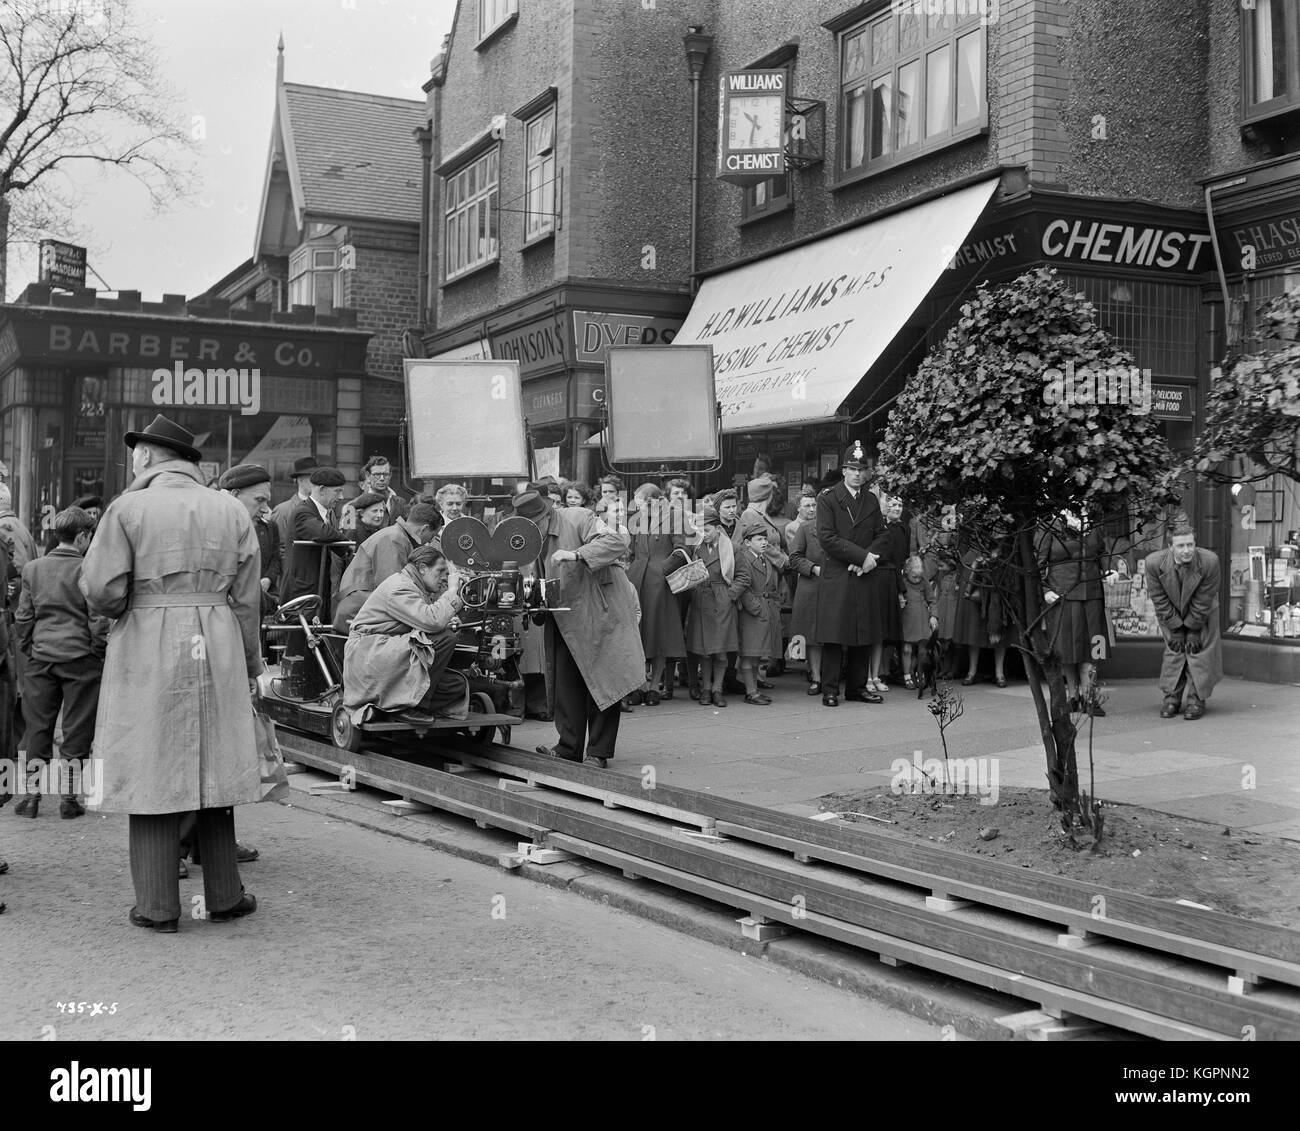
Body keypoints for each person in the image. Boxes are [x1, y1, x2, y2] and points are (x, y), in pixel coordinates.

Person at [80, 413, 262, 932]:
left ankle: (158, 907)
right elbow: (248, 599)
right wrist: (250, 663)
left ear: (146, 456)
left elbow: (100, 587)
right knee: (216, 766)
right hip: (220, 636)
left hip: (149, 639)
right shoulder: (229, 508)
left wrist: (128, 610)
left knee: (151, 765)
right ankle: (225, 896)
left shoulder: (128, 507)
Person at [514, 484, 644, 769]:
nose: (533, 531)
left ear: (548, 513)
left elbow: (616, 543)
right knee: (566, 685)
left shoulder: (579, 517)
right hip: (563, 616)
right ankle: (568, 747)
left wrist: (577, 554)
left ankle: (598, 751)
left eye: (536, 524)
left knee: (604, 681)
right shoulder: (528, 537)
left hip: (599, 612)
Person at [11, 506, 106, 819]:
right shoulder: (88, 569)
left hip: (42, 658)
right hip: (81, 659)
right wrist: (96, 649)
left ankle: (31, 797)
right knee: (77, 730)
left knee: (38, 728)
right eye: (89, 536)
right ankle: (68, 798)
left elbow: (24, 617)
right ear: (81, 536)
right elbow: (97, 618)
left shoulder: (34, 569)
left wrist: (30, 647)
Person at [343, 543, 470, 722]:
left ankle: (392, 706)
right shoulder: (399, 587)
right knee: (445, 638)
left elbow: (422, 621)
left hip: (388, 652)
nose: (444, 578)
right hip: (369, 654)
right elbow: (431, 621)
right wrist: (451, 592)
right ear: (423, 568)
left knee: (457, 686)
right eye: (441, 571)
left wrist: (446, 619)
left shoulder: (414, 585)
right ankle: (412, 707)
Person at [815, 442, 887, 707]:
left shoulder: (869, 499)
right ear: (843, 470)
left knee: (863, 634)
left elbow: (882, 535)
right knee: (834, 636)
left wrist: (869, 559)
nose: (857, 474)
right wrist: (862, 557)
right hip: (839, 574)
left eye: (861, 469)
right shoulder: (828, 499)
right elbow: (827, 538)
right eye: (852, 469)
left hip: (864, 573)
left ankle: (857, 688)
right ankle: (830, 689)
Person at [1144, 523, 1223, 721]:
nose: (1186, 550)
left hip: (1203, 611)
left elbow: (1204, 598)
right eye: (1180, 546)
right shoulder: (1154, 563)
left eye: (1190, 544)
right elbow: (1158, 598)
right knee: (1175, 649)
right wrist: (1177, 627)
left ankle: (1197, 699)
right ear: (1171, 547)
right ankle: (1172, 697)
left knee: (1200, 651)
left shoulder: (1209, 561)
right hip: (1171, 610)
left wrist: (1193, 628)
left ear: (1195, 543)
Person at [1039, 507, 1112, 714]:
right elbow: (1039, 563)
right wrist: (1044, 590)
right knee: (1066, 648)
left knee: (1094, 646)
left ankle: (1090, 697)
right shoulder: (1051, 526)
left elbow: (1103, 553)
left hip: (1092, 595)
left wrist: (1108, 569)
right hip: (1063, 595)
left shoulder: (1094, 524)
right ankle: (1072, 695)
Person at [334, 501, 444, 631]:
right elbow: (393, 590)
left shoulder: (397, 536)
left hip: (365, 609)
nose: (431, 541)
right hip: (359, 613)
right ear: (424, 528)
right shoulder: (394, 539)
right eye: (432, 535)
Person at [626, 484, 689, 704]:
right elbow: (632, 551)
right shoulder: (637, 519)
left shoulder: (675, 517)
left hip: (661, 584)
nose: (638, 506)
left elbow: (682, 550)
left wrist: (663, 570)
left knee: (660, 634)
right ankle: (640, 685)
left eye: (641, 502)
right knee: (639, 634)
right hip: (637, 580)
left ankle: (654, 687)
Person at [684, 502, 738, 708]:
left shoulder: (732, 548)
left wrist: (730, 595)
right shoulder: (696, 548)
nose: (703, 534)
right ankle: (706, 689)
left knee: (721, 650)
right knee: (704, 650)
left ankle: (718, 689)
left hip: (722, 600)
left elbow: (742, 576)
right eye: (700, 531)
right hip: (701, 600)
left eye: (707, 530)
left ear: (718, 528)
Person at [731, 513, 783, 705]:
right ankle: (750, 692)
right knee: (748, 654)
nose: (763, 543)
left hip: (762, 609)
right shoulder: (744, 559)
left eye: (764, 539)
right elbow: (743, 585)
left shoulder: (762, 558)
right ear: (747, 542)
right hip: (751, 612)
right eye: (759, 539)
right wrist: (756, 608)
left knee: (756, 653)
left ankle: (753, 689)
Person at [281, 467, 348, 609]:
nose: (341, 497)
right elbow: (323, 533)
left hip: (318, 592)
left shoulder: (324, 513)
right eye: (337, 491)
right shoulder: (303, 512)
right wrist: (347, 546)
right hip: (302, 596)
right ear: (322, 489)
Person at [220, 464, 280, 618]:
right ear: (234, 495)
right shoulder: (212, 531)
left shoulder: (249, 527)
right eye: (259, 500)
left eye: (266, 501)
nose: (266, 509)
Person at [863, 494, 908, 692]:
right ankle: (866, 677)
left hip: (890, 580)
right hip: (872, 578)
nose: (895, 508)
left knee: (881, 632)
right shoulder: (870, 528)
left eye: (899, 505)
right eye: (891, 505)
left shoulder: (901, 530)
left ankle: (876, 675)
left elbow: (899, 561)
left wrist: (900, 591)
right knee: (869, 630)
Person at [788, 495, 827, 696]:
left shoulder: (841, 529)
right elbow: (793, 558)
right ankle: (816, 678)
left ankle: (830, 677)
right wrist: (814, 569)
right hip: (811, 587)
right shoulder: (805, 529)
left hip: (834, 588)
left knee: (831, 633)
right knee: (811, 636)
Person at [900, 554, 939, 690]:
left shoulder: (924, 581)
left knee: (922, 650)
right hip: (907, 618)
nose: (917, 579)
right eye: (914, 576)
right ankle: (907, 675)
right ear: (907, 571)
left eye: (919, 576)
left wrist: (933, 615)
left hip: (922, 618)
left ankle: (918, 673)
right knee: (907, 649)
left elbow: (932, 600)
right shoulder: (902, 581)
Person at [271, 456, 319, 565]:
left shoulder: (326, 509)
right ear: (300, 480)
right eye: (311, 477)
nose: (316, 482)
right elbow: (279, 549)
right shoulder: (283, 510)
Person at [359, 455, 407, 523]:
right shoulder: (354, 506)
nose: (382, 478)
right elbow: (347, 532)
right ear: (368, 476)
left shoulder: (401, 504)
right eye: (377, 474)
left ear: (390, 475)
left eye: (385, 474)